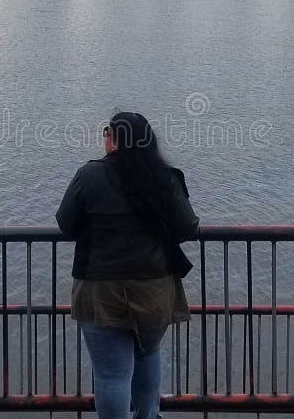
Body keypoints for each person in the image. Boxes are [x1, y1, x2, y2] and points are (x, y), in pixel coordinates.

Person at [56, 111, 200, 419]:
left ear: (116, 139)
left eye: (108, 131)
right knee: (148, 354)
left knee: (111, 375)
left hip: (100, 289)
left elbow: (65, 224)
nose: (104, 136)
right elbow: (188, 227)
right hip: (153, 288)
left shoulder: (89, 175)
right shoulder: (165, 177)